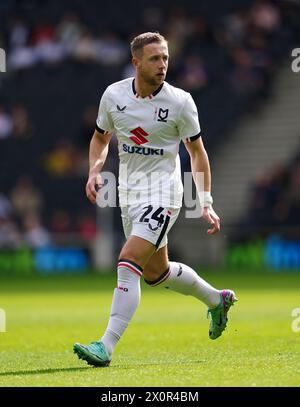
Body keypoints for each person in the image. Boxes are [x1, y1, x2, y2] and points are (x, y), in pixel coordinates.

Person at [74, 32, 237, 367]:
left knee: (127, 260)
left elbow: (197, 151)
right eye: (154, 59)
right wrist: (94, 171)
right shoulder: (114, 96)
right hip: (128, 193)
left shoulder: (180, 102)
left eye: (165, 57)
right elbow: (100, 138)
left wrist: (204, 199)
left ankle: (105, 346)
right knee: (156, 273)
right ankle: (216, 301)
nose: (163, 64)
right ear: (136, 62)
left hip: (163, 193)